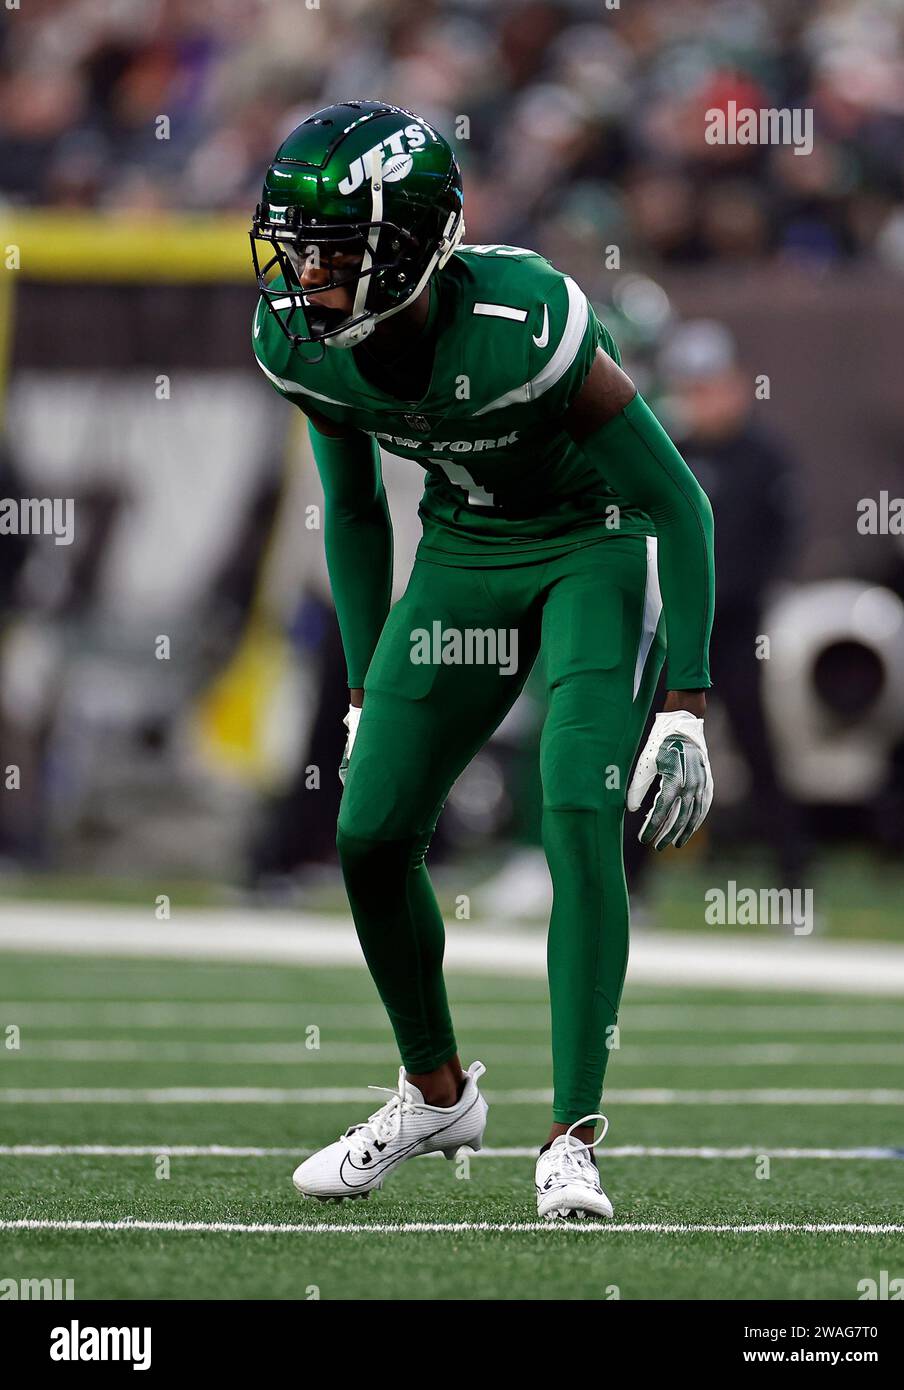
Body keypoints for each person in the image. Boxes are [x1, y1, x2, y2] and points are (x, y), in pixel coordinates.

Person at [251, 101, 715, 1220]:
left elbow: (674, 498)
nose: (303, 272)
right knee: (367, 830)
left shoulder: (523, 315)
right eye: (295, 242)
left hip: (588, 543)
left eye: (335, 248)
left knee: (574, 803)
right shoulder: (304, 343)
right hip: (463, 552)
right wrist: (365, 685)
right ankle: (435, 1092)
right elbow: (355, 513)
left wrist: (687, 701)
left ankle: (573, 1136)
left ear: (412, 245)